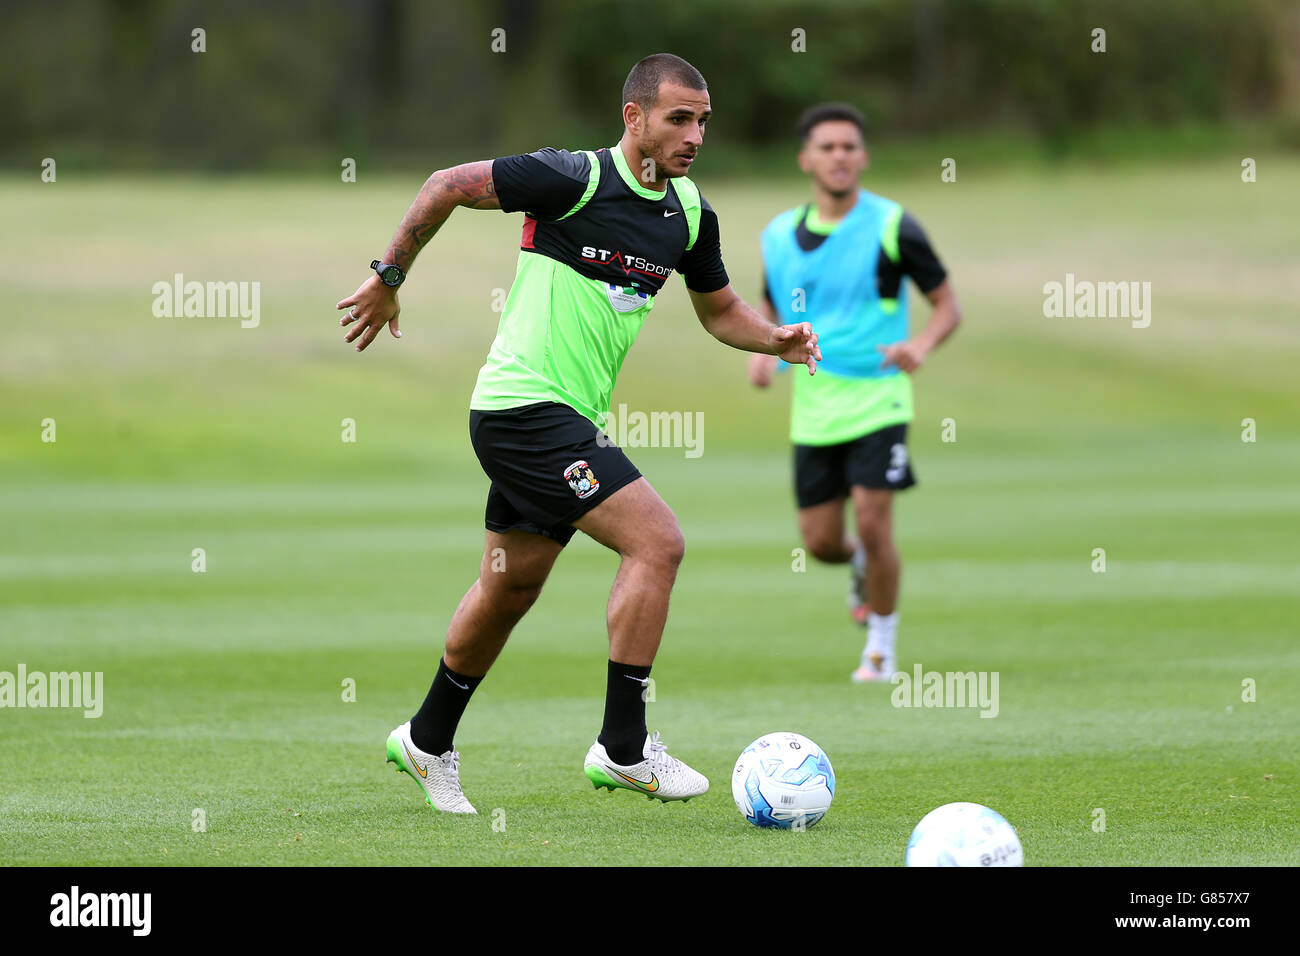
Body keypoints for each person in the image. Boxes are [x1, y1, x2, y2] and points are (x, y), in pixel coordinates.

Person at [335, 54, 821, 814]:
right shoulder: (573, 179)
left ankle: (426, 740)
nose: (694, 135)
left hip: (558, 420)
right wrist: (388, 277)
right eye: (678, 119)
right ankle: (623, 748)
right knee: (657, 541)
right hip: (524, 410)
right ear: (635, 118)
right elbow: (447, 186)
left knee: (511, 585)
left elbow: (719, 310)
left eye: (702, 121)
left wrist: (775, 340)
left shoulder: (689, 213)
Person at [749, 103, 961, 683]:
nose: (839, 156)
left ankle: (881, 649)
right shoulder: (776, 236)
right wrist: (765, 353)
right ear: (805, 159)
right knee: (820, 543)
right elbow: (772, 303)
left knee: (873, 519)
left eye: (849, 147)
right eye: (827, 147)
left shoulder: (894, 225)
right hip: (815, 403)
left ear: (863, 157)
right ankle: (859, 565)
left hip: (880, 397)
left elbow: (948, 307)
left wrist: (919, 345)